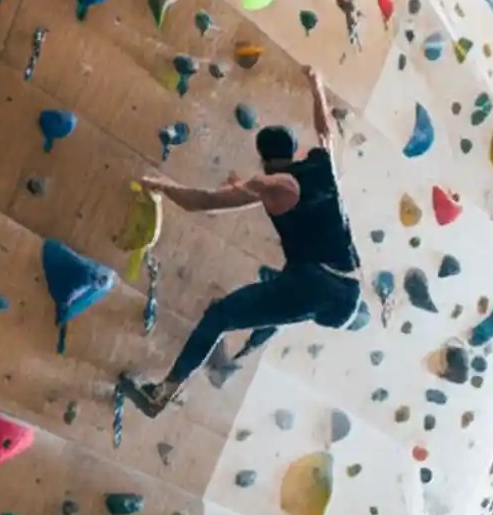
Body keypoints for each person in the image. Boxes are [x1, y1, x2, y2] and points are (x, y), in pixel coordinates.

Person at [129, 65, 363, 417]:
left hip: (316, 284)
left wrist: (162, 186)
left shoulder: (273, 185)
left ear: (265, 159)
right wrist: (317, 86)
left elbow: (204, 203)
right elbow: (325, 129)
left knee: (221, 314)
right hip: (348, 291)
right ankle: (257, 332)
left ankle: (163, 392)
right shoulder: (322, 165)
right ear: (294, 150)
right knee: (279, 282)